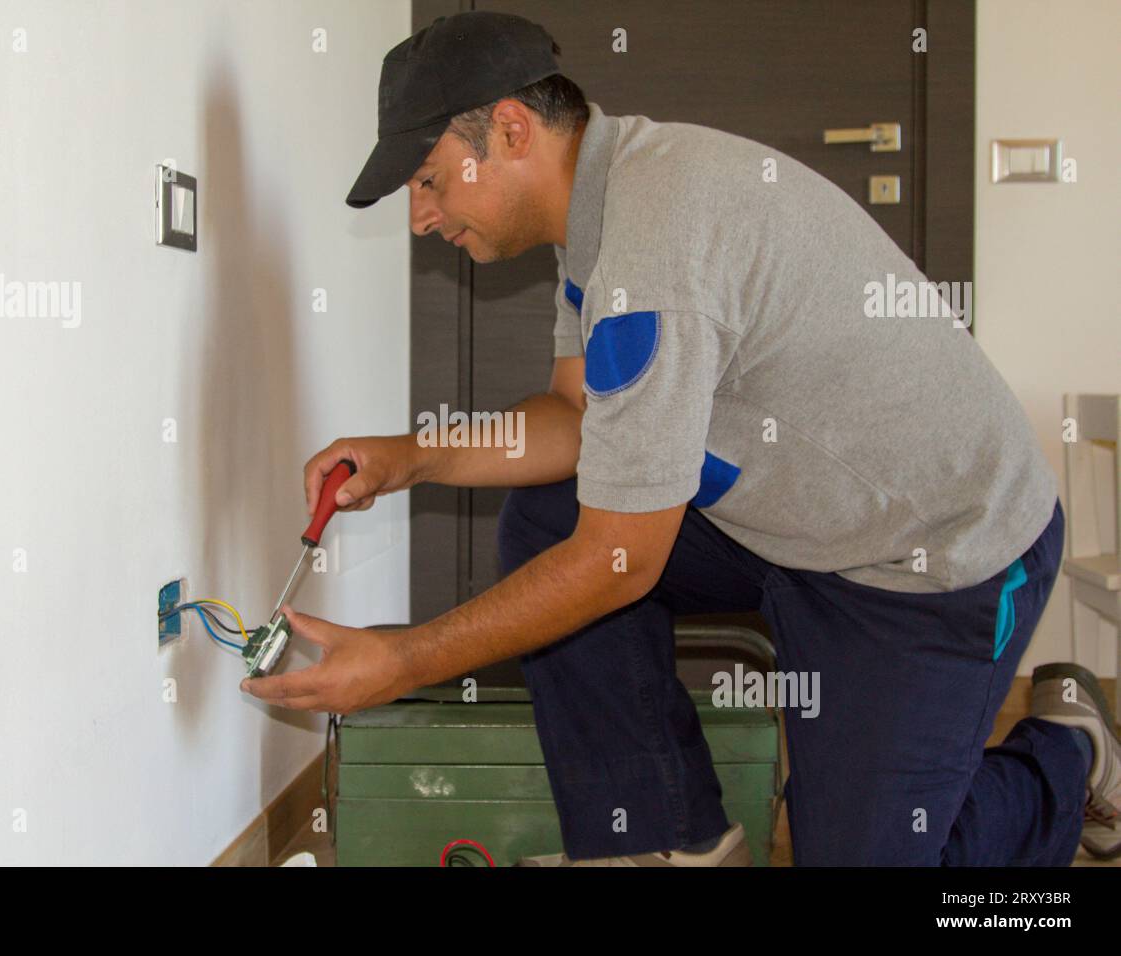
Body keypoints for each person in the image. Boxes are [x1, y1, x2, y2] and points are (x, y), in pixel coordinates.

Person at [241, 10, 1119, 866]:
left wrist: (401, 661)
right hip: (791, 526)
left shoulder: (657, 238)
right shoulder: (603, 208)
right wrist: (413, 457)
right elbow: (578, 418)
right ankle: (662, 837)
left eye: (428, 180)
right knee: (548, 516)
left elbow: (620, 559)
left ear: (509, 130)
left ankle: (1068, 756)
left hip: (934, 557)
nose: (420, 216)